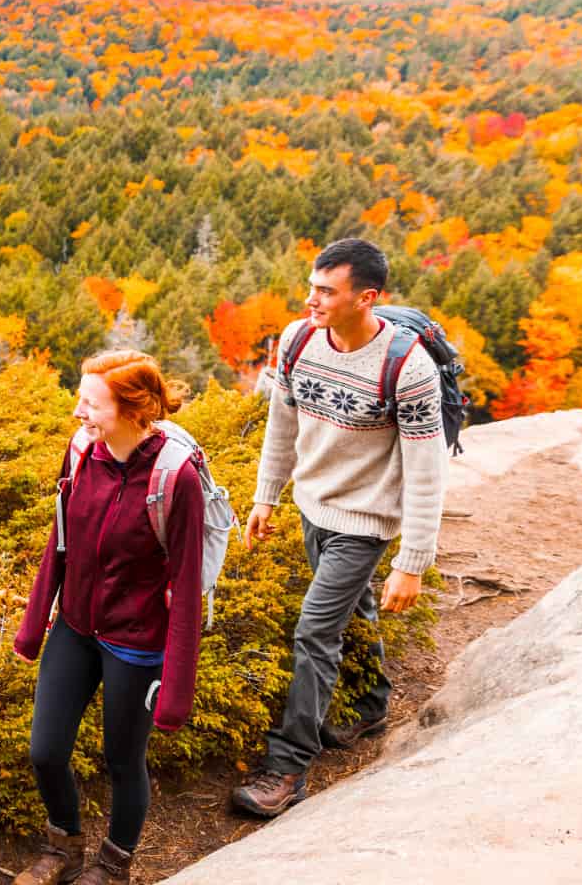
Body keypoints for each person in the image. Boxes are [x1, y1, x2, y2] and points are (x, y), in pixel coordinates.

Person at [230, 237, 445, 819]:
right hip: (312, 504)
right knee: (355, 610)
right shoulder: (299, 340)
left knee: (314, 632)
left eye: (326, 291)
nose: (312, 300)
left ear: (366, 297)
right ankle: (373, 703)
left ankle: (289, 767)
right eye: (311, 287)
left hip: (366, 521)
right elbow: (282, 424)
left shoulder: (408, 367)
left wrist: (412, 562)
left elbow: (428, 470)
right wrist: (266, 496)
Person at [11, 350, 206, 885]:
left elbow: (187, 588)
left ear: (134, 408)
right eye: (81, 399)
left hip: (137, 640)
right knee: (46, 751)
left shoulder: (175, 479)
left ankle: (113, 866)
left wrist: (178, 689)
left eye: (91, 404)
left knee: (123, 760)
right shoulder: (80, 453)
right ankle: (64, 848)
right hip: (74, 627)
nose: (79, 413)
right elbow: (60, 541)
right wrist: (34, 625)